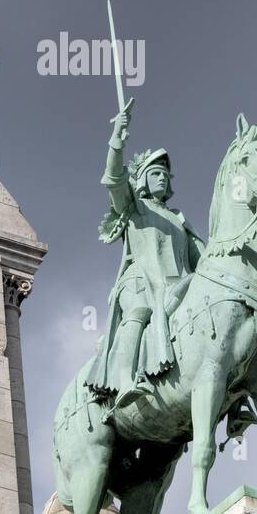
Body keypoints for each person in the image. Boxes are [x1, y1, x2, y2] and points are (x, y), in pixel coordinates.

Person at [85, 97, 204, 413]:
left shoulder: (179, 220)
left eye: (166, 174)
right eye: (155, 172)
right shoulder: (134, 207)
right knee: (138, 311)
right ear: (143, 180)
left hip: (179, 286)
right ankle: (124, 382)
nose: (162, 177)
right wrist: (117, 139)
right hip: (139, 282)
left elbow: (203, 262)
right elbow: (113, 178)